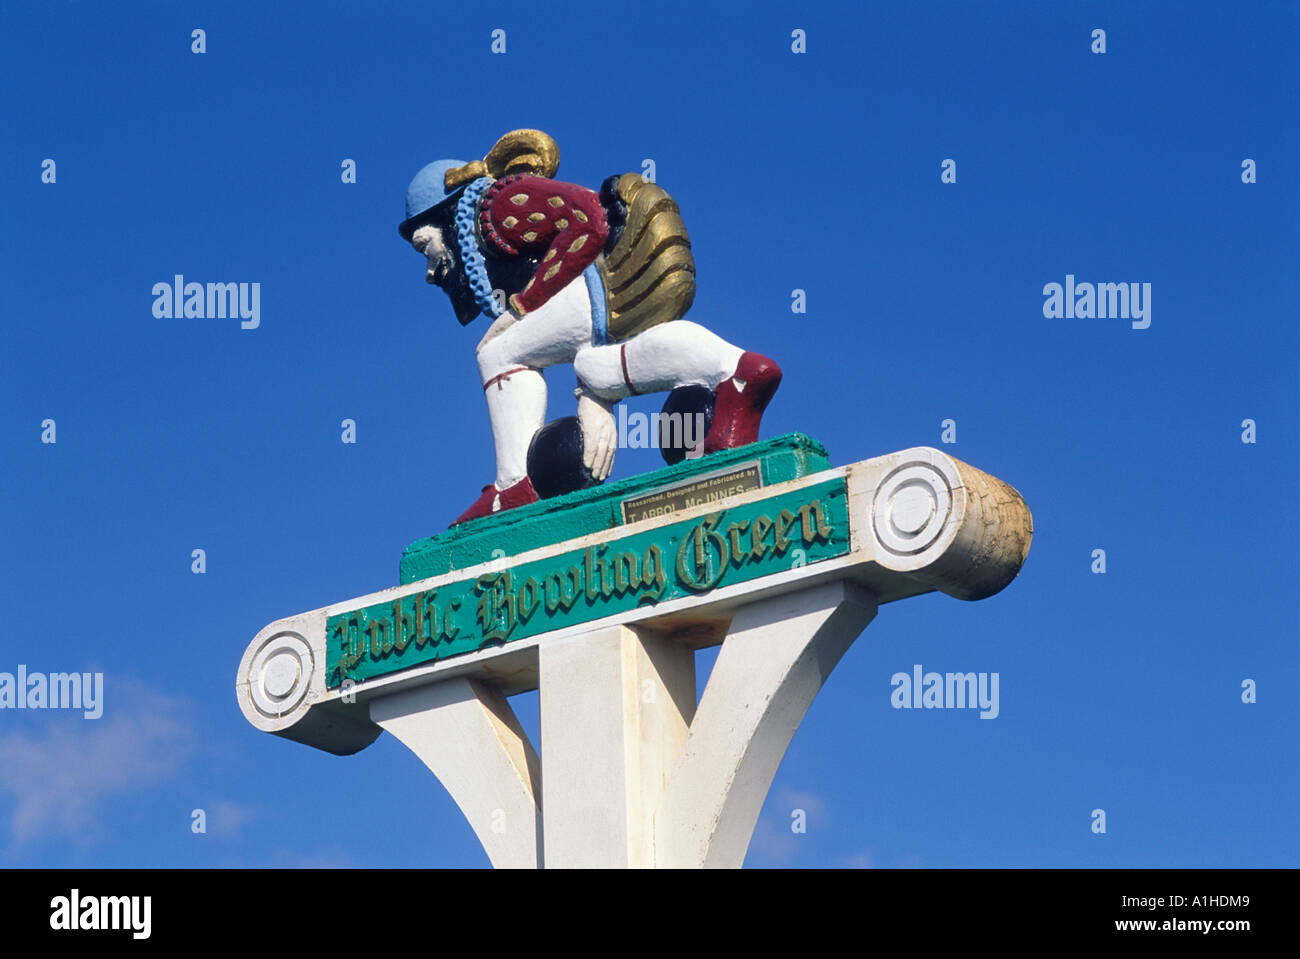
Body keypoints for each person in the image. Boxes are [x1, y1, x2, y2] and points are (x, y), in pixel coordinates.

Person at [399, 130, 781, 526]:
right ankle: (736, 371)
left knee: (496, 352)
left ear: (446, 216)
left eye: (423, 246)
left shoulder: (496, 208)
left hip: (599, 278)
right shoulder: (492, 226)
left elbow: (587, 219)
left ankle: (513, 485)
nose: (428, 270)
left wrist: (525, 304)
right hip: (600, 284)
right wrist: (594, 396)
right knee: (597, 368)